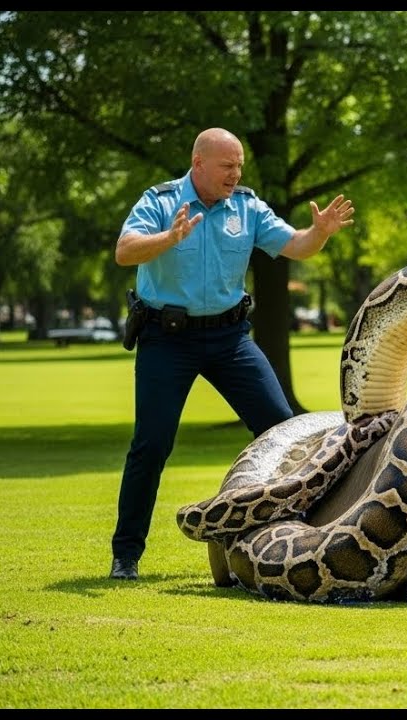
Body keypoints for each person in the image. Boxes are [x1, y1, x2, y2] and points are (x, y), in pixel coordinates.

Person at [109, 127, 355, 581]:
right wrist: (168, 237)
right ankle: (126, 555)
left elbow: (296, 245)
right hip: (167, 339)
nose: (235, 173)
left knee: (284, 432)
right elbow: (125, 251)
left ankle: (302, 535)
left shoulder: (246, 205)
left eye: (239, 165)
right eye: (227, 165)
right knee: (152, 444)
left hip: (230, 340)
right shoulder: (160, 202)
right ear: (198, 163)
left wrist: (319, 233)